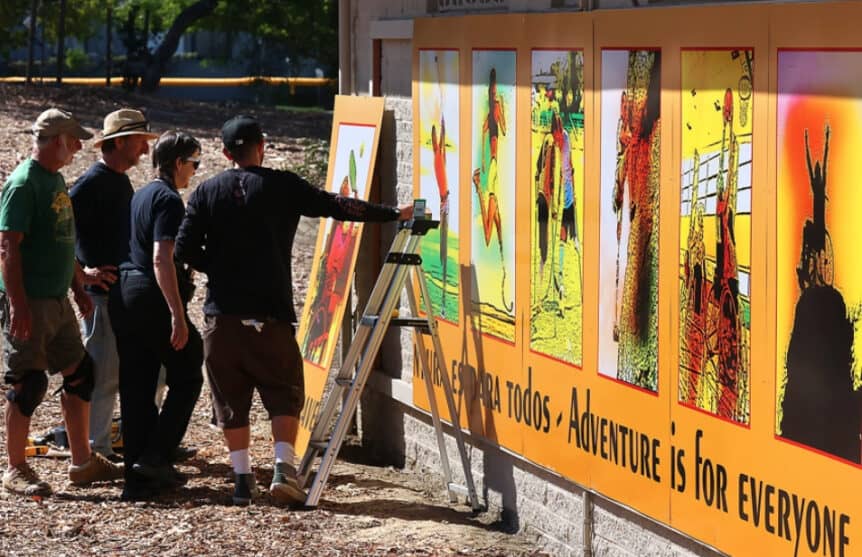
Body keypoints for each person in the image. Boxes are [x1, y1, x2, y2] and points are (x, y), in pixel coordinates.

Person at [175, 115, 413, 506]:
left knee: (231, 399)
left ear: (224, 152)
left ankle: (241, 478)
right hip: (271, 314)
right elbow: (337, 205)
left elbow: (182, 250)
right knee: (283, 392)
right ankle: (284, 468)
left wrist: (218, 268)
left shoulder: (205, 192)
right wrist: (391, 214)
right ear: (262, 145)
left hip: (223, 317)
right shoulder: (283, 186)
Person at [0, 109, 122, 496]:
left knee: (81, 373)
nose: (78, 147)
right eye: (73, 141)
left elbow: (61, 239)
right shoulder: (23, 184)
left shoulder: (54, 180)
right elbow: (7, 247)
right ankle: (15, 468)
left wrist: (78, 284)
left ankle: (82, 462)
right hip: (29, 301)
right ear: (56, 141)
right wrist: (17, 304)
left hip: (55, 299)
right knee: (28, 383)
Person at [109, 131, 204, 501]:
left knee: (137, 384)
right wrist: (177, 315)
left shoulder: (141, 194)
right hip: (151, 295)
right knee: (188, 371)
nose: (194, 172)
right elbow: (161, 258)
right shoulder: (168, 199)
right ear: (178, 163)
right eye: (193, 163)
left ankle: (138, 481)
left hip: (125, 293)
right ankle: (156, 456)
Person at [70, 108, 158, 464]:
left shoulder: (118, 180)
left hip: (119, 296)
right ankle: (95, 452)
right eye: (140, 142)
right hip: (101, 298)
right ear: (119, 142)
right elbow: (52, 231)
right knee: (104, 376)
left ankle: (111, 443)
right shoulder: (92, 183)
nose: (146, 150)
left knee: (134, 372)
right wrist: (81, 274)